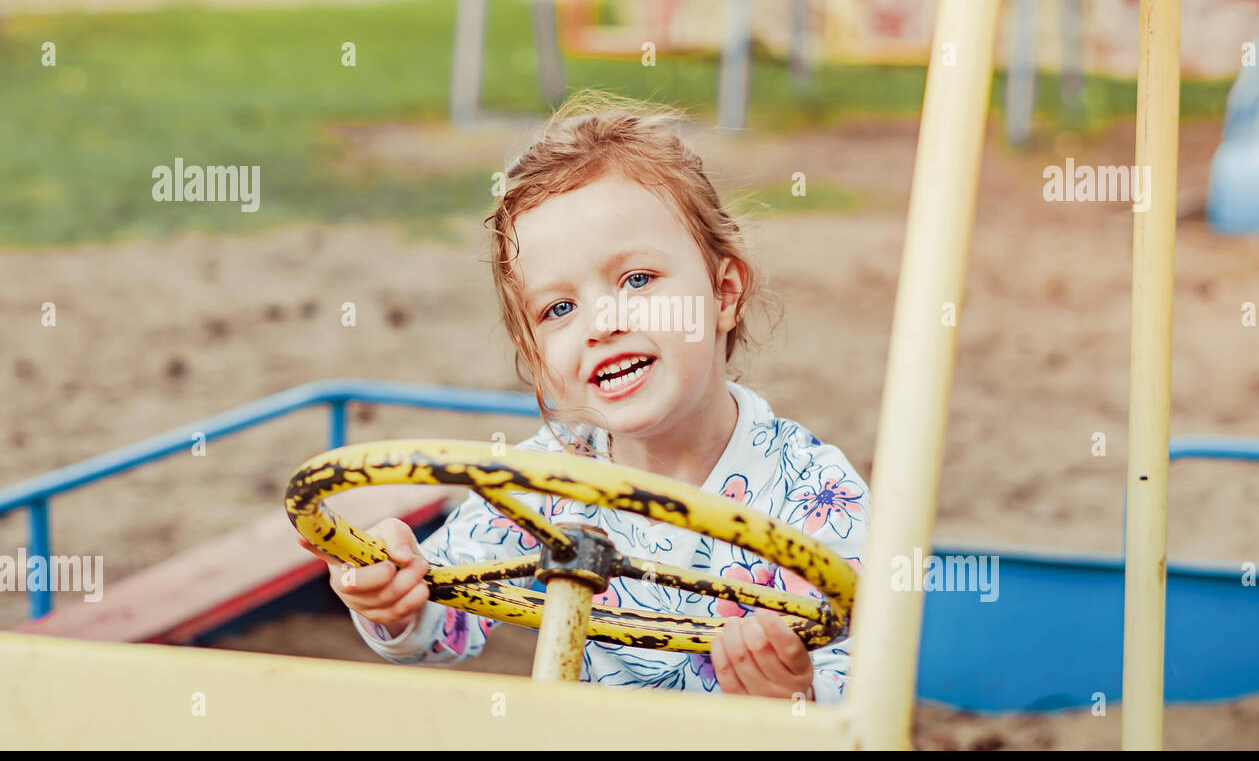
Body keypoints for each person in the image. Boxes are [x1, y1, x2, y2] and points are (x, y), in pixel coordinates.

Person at [297, 90, 869, 704]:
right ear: (536, 355)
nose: (601, 324)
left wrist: (791, 698)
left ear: (723, 292)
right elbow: (445, 621)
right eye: (559, 308)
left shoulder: (814, 493)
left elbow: (866, 686)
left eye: (637, 279)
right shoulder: (546, 478)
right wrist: (395, 598)